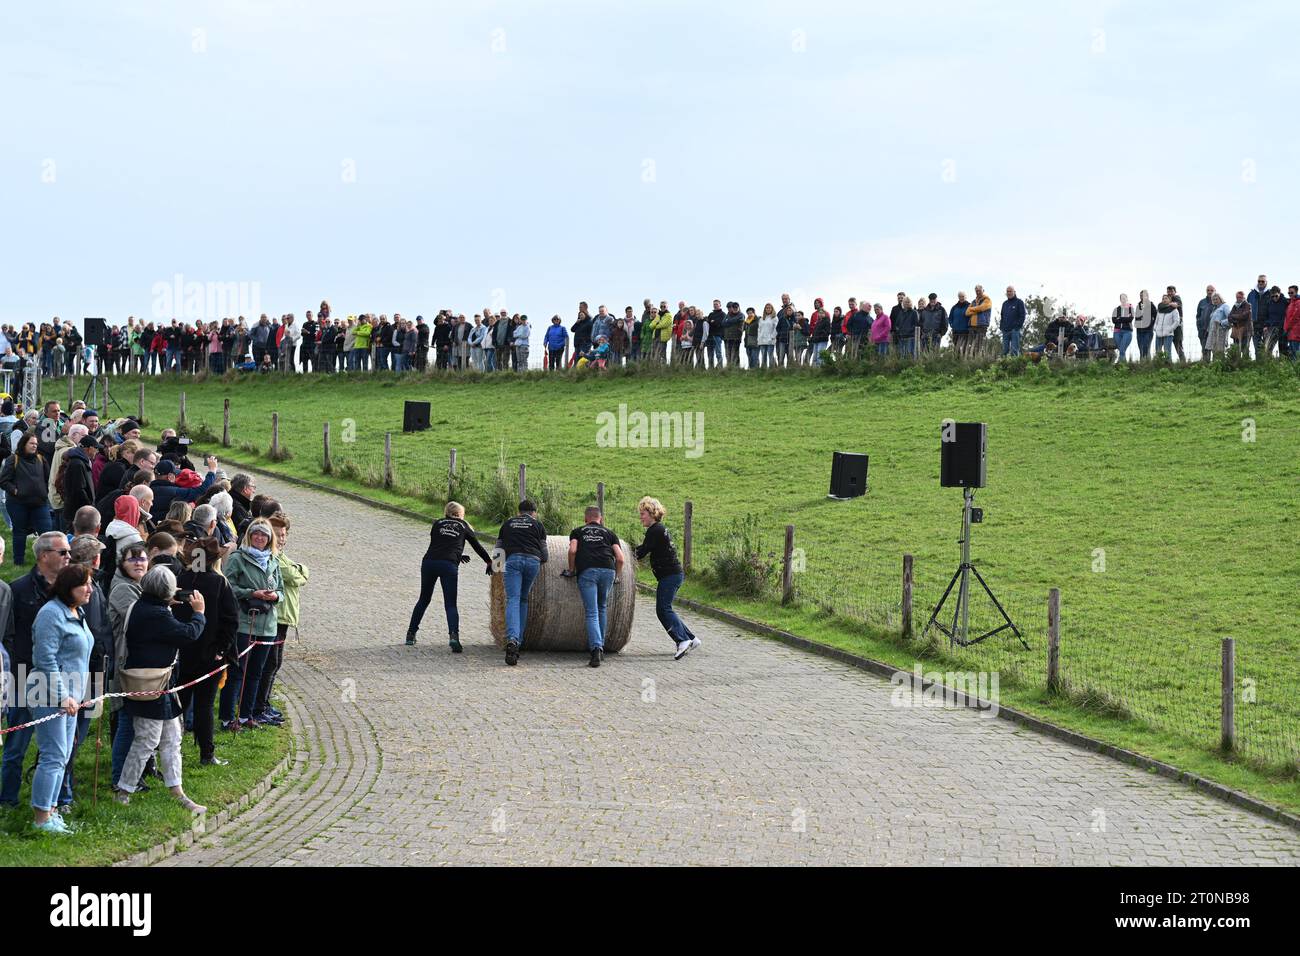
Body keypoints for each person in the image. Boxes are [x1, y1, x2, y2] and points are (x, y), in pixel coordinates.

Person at [114, 565, 207, 814]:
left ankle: (176, 790)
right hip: (150, 685)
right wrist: (199, 613)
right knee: (147, 740)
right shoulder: (156, 614)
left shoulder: (146, 607)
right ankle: (124, 791)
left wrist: (168, 603)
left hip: (162, 685)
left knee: (172, 738)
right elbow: (188, 634)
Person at [26, 563, 95, 833]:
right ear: (69, 588)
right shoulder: (50, 615)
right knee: (53, 756)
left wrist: (81, 694)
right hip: (50, 696)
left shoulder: (76, 612)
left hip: (72, 698)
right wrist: (62, 697)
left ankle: (52, 811)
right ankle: (41, 819)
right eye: (84, 585)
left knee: (63, 756)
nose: (90, 589)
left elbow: (80, 657)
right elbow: (45, 660)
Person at [174, 536, 238, 763]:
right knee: (204, 706)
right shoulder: (219, 583)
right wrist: (222, 649)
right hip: (209, 655)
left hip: (182, 653)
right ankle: (206, 754)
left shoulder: (180, 579)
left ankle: (172, 751)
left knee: (178, 705)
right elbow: (231, 620)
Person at [219, 519, 283, 731]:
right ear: (249, 535)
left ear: (269, 539)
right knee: (238, 672)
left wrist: (275, 596)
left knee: (256, 671)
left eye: (264, 535)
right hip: (245, 624)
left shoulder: (273, 560)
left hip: (267, 625)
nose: (259, 538)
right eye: (256, 534)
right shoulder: (238, 558)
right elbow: (228, 586)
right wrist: (250, 593)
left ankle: (246, 715)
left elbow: (282, 590)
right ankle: (228, 717)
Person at [406, 501, 491, 650]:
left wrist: (458, 555)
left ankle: (410, 635)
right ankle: (454, 637)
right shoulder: (464, 525)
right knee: (450, 604)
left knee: (423, 599)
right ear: (459, 514)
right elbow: (477, 546)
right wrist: (489, 561)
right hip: (448, 565)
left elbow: (441, 543)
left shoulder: (437, 523)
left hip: (429, 562)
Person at [633, 496, 700, 660]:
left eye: (643, 513)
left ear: (652, 513)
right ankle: (691, 638)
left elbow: (642, 551)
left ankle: (682, 640)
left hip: (670, 576)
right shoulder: (658, 529)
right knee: (666, 608)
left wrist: (624, 553)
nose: (641, 517)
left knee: (663, 609)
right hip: (673, 575)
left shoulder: (655, 530)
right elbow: (645, 549)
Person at [560, 507, 624, 668]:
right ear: (600, 519)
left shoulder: (577, 531)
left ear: (585, 519)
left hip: (588, 571)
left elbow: (573, 550)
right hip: (608, 571)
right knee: (602, 607)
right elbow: (621, 558)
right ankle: (600, 646)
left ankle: (595, 649)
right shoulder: (610, 533)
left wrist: (571, 570)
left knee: (592, 612)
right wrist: (616, 576)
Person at [494, 500, 547, 666]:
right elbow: (545, 554)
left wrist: (496, 569)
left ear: (519, 512)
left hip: (514, 560)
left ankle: (512, 640)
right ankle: (520, 642)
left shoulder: (508, 524)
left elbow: (498, 548)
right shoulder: (538, 525)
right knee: (523, 599)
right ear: (534, 512)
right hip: (533, 562)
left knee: (513, 600)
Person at [0, 431, 53, 564]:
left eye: (36, 443)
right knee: (19, 532)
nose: (34, 446)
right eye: (31, 443)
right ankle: (18, 561)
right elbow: (4, 481)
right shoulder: (14, 459)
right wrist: (16, 491)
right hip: (18, 503)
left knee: (46, 532)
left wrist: (44, 491)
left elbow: (48, 479)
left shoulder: (41, 459)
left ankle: (49, 560)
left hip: (40, 503)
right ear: (23, 444)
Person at [999, 286, 1026, 357]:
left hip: (1015, 330)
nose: (1009, 293)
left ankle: (1015, 367)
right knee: (1005, 350)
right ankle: (1003, 366)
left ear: (1014, 292)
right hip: (1005, 330)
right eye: (1007, 291)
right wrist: (1001, 326)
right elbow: (1002, 316)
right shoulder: (1004, 304)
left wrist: (1017, 326)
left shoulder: (1019, 302)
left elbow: (1022, 315)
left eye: (1010, 291)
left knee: (1014, 350)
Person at [1204, 293, 1231, 363]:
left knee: (1220, 349)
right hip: (1212, 332)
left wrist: (1221, 322)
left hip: (1221, 331)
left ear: (1220, 299)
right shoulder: (1215, 308)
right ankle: (1215, 365)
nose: (1215, 301)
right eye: (1214, 299)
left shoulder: (1225, 306)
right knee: (1213, 349)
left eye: (1216, 299)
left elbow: (1230, 318)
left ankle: (1221, 365)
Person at [1154, 294, 1181, 359]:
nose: (1164, 300)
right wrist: (1155, 328)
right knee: (1158, 352)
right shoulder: (1159, 310)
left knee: (1167, 352)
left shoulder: (1174, 310)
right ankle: (1158, 365)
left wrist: (1170, 329)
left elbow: (1176, 322)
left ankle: (1168, 366)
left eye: (1166, 298)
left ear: (1170, 300)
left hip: (1168, 334)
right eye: (1163, 299)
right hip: (1159, 333)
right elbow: (1156, 321)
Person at [1111, 293, 1135, 362]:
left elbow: (1130, 319)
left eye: (1124, 298)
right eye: (1122, 298)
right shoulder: (1116, 309)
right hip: (1117, 332)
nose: (1123, 299)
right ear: (1120, 300)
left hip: (1127, 331)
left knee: (1121, 350)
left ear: (1127, 299)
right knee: (1121, 350)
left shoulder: (1130, 308)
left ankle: (1120, 365)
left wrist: (1120, 318)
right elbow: (1113, 320)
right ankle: (1124, 366)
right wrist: (1124, 318)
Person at [1194, 285, 1217, 355]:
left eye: (1211, 290)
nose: (1210, 292)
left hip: (1214, 330)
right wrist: (1199, 328)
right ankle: (1206, 364)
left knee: (1215, 350)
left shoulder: (1217, 302)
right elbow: (1198, 316)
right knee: (1204, 350)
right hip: (1202, 330)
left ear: (1215, 291)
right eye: (1208, 290)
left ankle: (1215, 365)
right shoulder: (1202, 302)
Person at [1133, 290, 1156, 359]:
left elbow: (1156, 316)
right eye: (1140, 295)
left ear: (1147, 296)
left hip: (1148, 331)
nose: (1141, 297)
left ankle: (1147, 364)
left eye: (1143, 295)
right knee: (1141, 349)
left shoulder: (1151, 304)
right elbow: (1136, 317)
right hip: (1139, 331)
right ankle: (1142, 365)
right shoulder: (1138, 305)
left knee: (1146, 347)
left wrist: (1151, 324)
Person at [757, 304, 777, 369]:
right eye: (767, 308)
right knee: (763, 355)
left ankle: (772, 369)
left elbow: (776, 328)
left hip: (770, 340)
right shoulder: (762, 319)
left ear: (772, 309)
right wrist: (759, 337)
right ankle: (763, 369)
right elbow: (759, 329)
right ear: (765, 309)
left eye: (769, 308)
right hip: (762, 340)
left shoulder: (774, 318)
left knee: (770, 355)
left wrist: (772, 337)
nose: (768, 309)